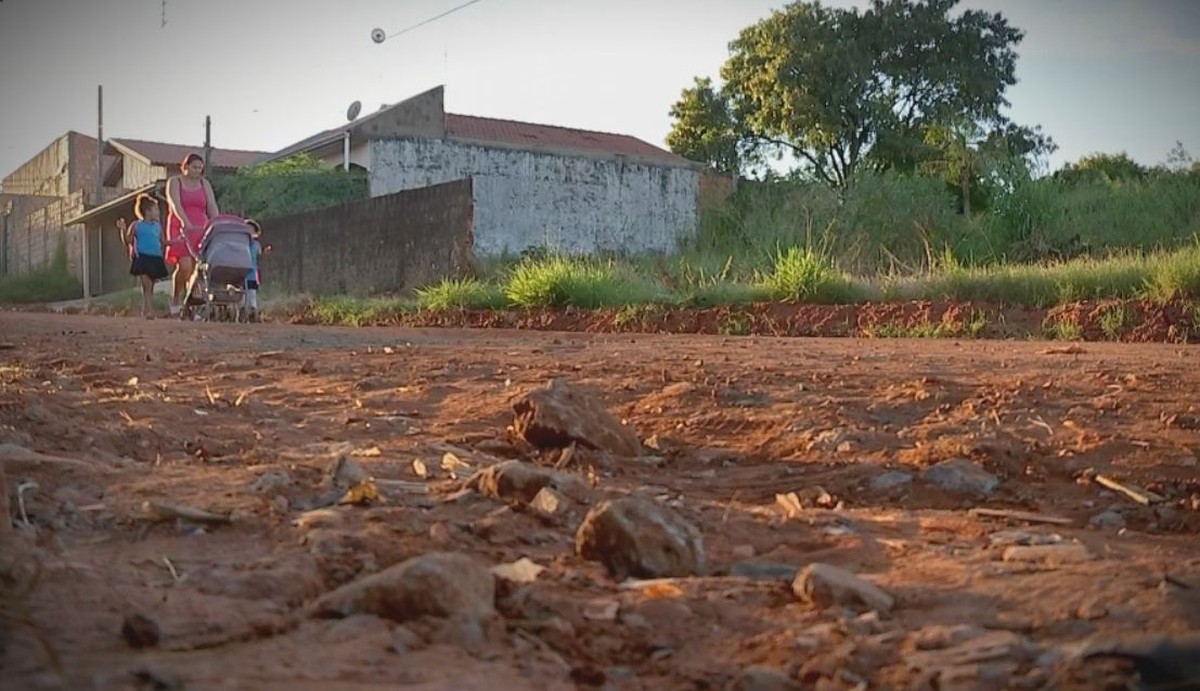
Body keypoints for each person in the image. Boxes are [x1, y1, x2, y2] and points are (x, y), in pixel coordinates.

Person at [164, 153, 220, 317]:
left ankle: (191, 301)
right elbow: (175, 203)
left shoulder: (204, 184)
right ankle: (176, 297)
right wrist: (185, 222)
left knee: (198, 268)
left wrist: (217, 223)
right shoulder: (175, 182)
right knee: (185, 266)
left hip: (201, 227)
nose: (197, 171)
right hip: (181, 225)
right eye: (194, 167)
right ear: (185, 166)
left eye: (200, 168)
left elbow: (211, 205)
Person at [117, 194, 169, 319]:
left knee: (150, 288)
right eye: (156, 209)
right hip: (142, 258)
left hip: (155, 258)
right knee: (147, 285)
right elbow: (128, 241)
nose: (158, 212)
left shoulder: (158, 226)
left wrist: (179, 240)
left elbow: (164, 241)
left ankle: (145, 310)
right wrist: (123, 230)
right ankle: (150, 311)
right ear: (147, 211)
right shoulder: (136, 225)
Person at [243, 218, 269, 322]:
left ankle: (252, 312)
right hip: (240, 273)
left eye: (251, 229)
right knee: (241, 296)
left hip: (252, 274)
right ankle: (243, 313)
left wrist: (265, 252)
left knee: (251, 294)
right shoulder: (241, 243)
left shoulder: (256, 244)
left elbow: (260, 255)